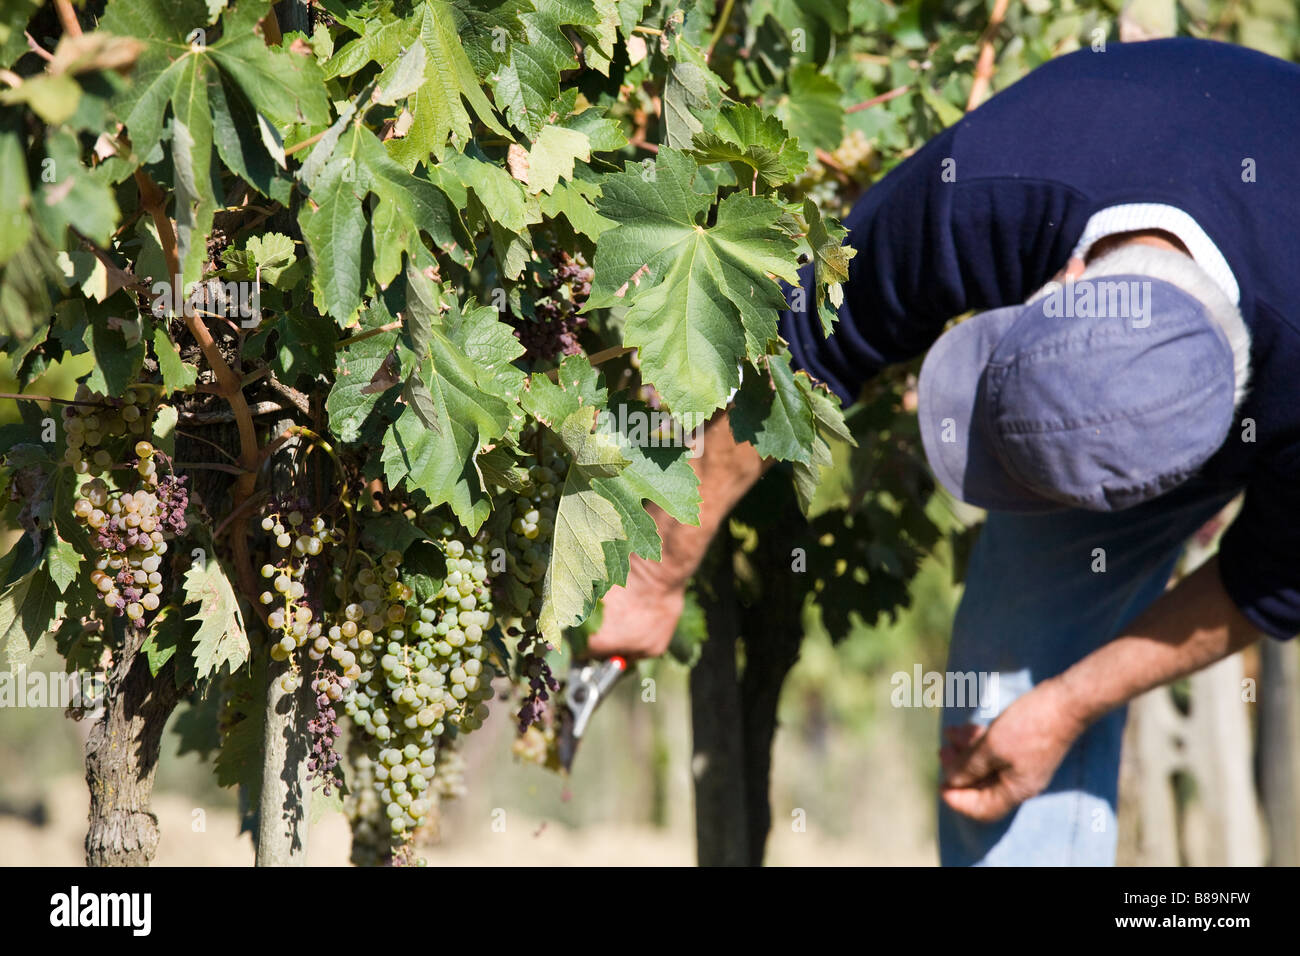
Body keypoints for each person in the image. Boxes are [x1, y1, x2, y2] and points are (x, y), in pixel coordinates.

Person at [586, 36, 1300, 865]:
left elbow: (1274, 583)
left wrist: (1068, 704)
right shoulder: (993, 183)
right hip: (1144, 185)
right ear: (1064, 281)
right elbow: (813, 342)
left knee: (1034, 714)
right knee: (996, 725)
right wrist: (654, 571)